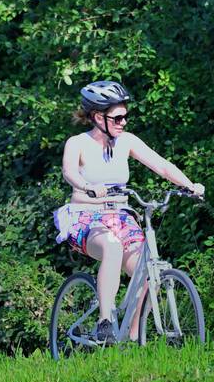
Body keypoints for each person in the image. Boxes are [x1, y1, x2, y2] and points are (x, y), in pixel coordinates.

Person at [53, 81, 203, 345]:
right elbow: (69, 172)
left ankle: (134, 336)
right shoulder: (77, 143)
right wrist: (88, 187)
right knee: (111, 247)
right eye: (118, 117)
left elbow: (163, 166)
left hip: (120, 216)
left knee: (147, 271)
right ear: (99, 117)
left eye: (126, 116)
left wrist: (189, 185)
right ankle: (104, 321)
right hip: (86, 217)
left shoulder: (127, 141)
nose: (124, 122)